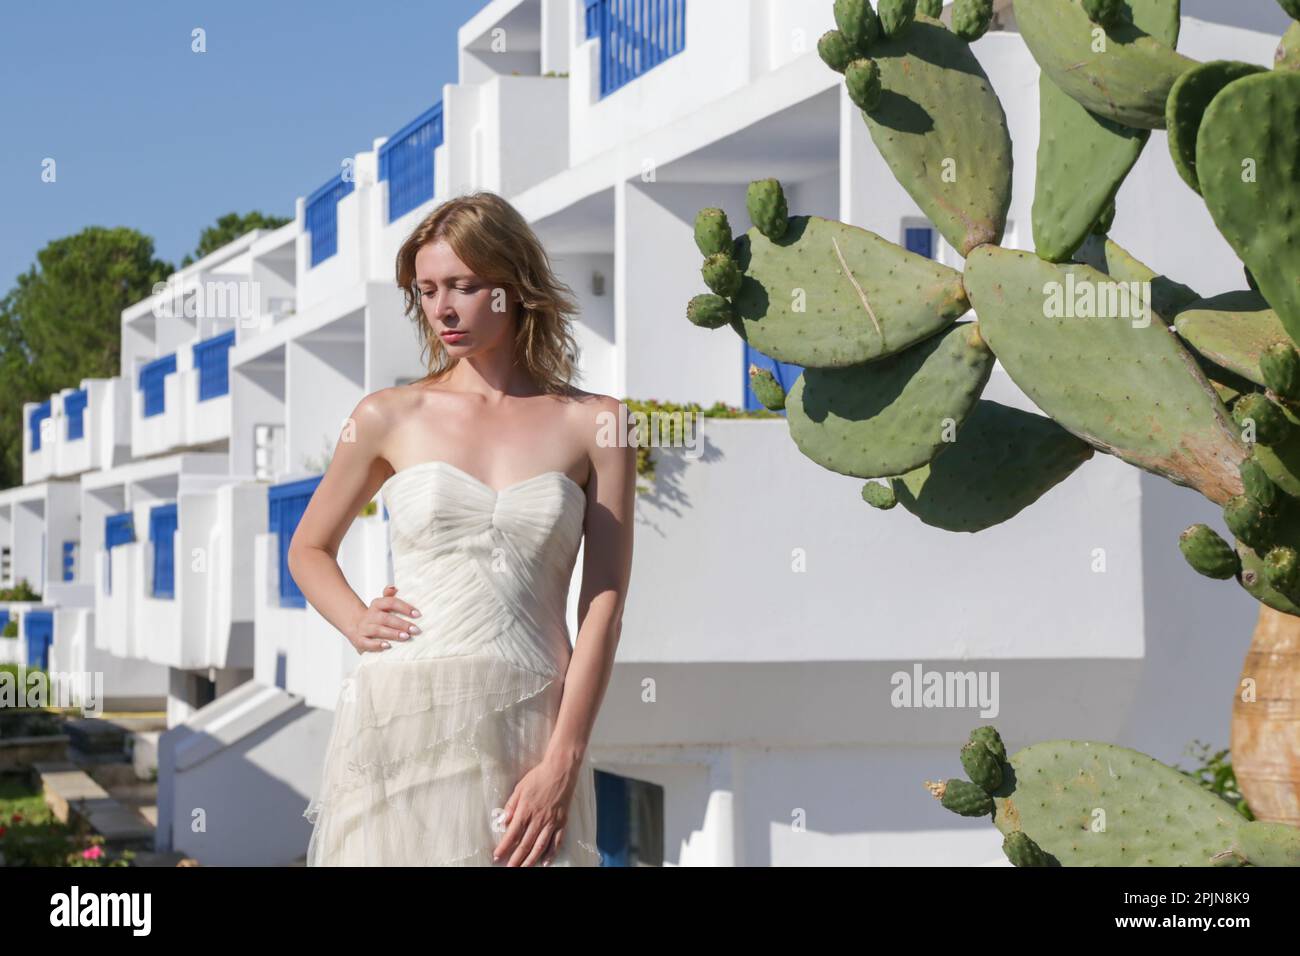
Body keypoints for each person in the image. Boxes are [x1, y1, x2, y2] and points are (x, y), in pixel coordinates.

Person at [289, 191, 634, 866]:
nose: (441, 309)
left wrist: (565, 756)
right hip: (403, 713)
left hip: (532, 724)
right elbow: (307, 548)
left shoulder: (596, 422)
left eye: (463, 286)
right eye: (425, 291)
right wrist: (358, 621)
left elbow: (605, 604)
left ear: (515, 286)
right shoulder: (389, 414)